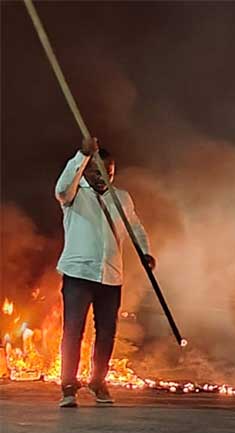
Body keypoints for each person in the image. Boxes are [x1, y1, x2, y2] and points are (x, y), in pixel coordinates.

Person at [54, 137, 154, 408]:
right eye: (97, 172)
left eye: (109, 172)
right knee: (73, 331)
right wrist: (81, 155)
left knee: (107, 332)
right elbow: (62, 187)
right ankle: (68, 387)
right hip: (78, 273)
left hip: (110, 275)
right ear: (87, 171)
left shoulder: (121, 198)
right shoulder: (74, 194)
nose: (103, 177)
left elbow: (136, 227)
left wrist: (145, 252)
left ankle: (98, 381)